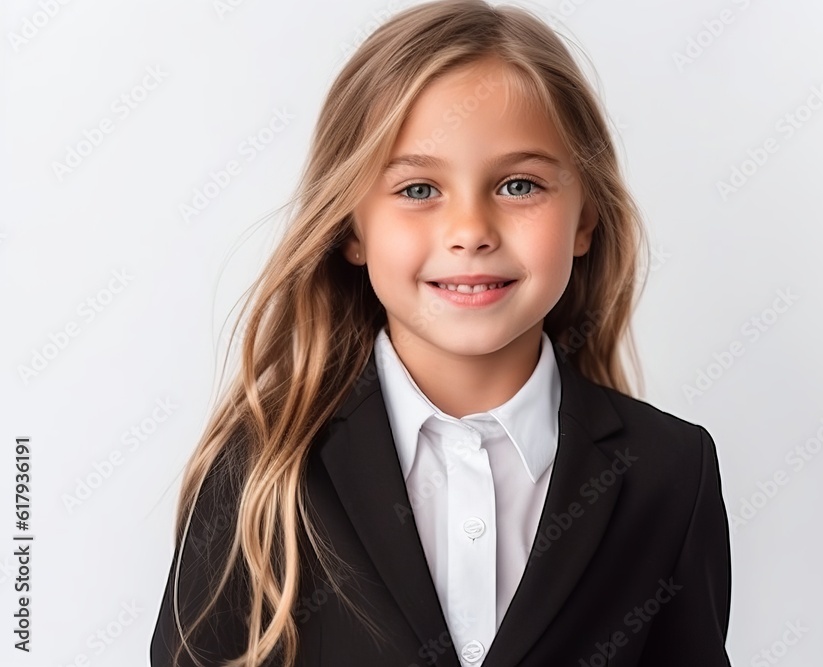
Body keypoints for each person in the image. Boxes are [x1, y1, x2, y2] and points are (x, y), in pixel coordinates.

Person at [149, 1, 733, 665]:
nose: (470, 230)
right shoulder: (260, 470)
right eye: (420, 189)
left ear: (585, 218)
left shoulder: (669, 472)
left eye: (519, 184)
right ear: (350, 227)